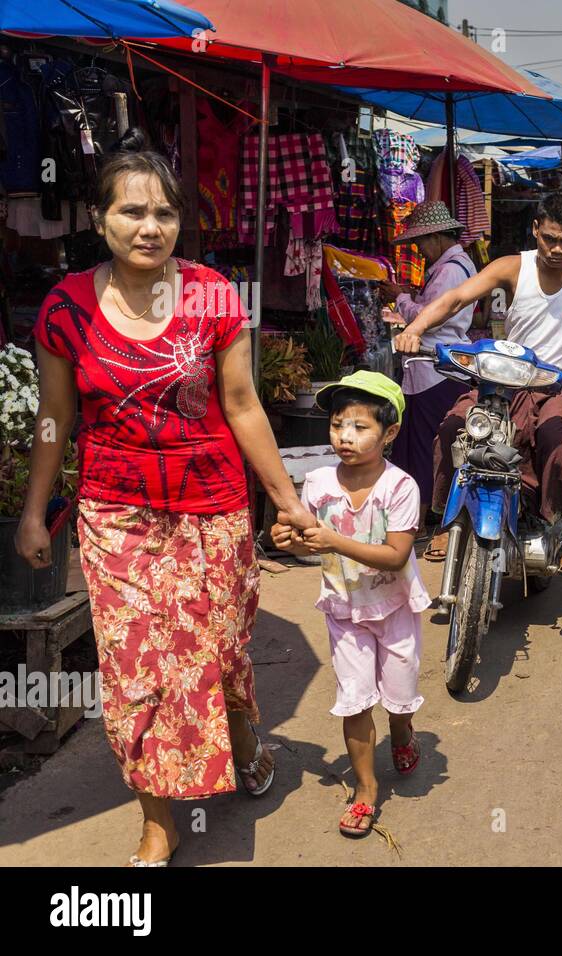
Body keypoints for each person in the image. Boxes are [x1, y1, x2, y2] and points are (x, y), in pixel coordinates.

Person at [16, 135, 316, 866]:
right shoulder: (65, 308)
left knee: (215, 648)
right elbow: (56, 416)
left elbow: (242, 404)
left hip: (212, 505)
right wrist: (33, 508)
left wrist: (287, 501)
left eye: (164, 213)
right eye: (131, 211)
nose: (149, 227)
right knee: (136, 664)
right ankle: (160, 818)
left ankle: (242, 736)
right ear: (98, 217)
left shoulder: (215, 294)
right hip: (115, 512)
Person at [393, 192, 562, 576]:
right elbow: (456, 297)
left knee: (554, 442)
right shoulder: (512, 266)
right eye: (549, 238)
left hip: (558, 384)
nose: (556, 249)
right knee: (451, 428)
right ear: (535, 231)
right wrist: (416, 327)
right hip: (503, 381)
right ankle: (445, 515)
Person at [271, 373, 429, 839]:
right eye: (338, 425)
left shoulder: (400, 487)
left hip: (394, 607)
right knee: (355, 701)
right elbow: (309, 547)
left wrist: (332, 540)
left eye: (360, 428)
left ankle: (402, 732)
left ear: (390, 433)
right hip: (344, 608)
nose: (345, 437)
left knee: (398, 697)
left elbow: (397, 555)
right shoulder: (318, 482)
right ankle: (365, 790)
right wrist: (286, 541)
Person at [377, 200, 475, 535]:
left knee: (423, 445)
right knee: (424, 443)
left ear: (436, 238)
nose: (418, 251)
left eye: (420, 243)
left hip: (434, 369)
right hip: (435, 368)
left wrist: (399, 298)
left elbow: (426, 318)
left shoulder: (450, 271)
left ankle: (416, 519)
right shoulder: (457, 267)